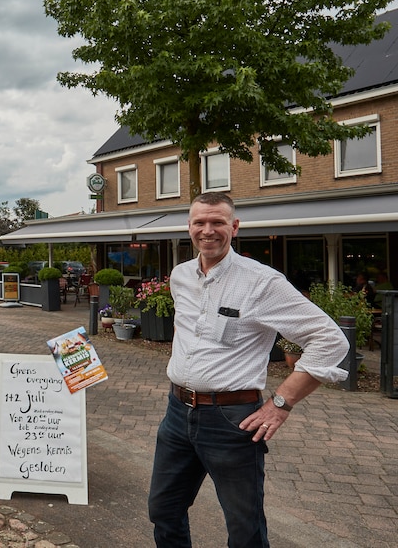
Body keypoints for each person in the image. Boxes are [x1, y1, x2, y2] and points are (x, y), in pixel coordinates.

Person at [149, 192, 349, 548]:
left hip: (232, 420)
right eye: (200, 222)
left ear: (234, 227)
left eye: (217, 222)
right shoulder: (181, 276)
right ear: (189, 227)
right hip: (177, 413)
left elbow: (331, 340)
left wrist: (281, 404)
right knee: (163, 510)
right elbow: (186, 327)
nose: (208, 231)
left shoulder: (261, 282)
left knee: (245, 530)